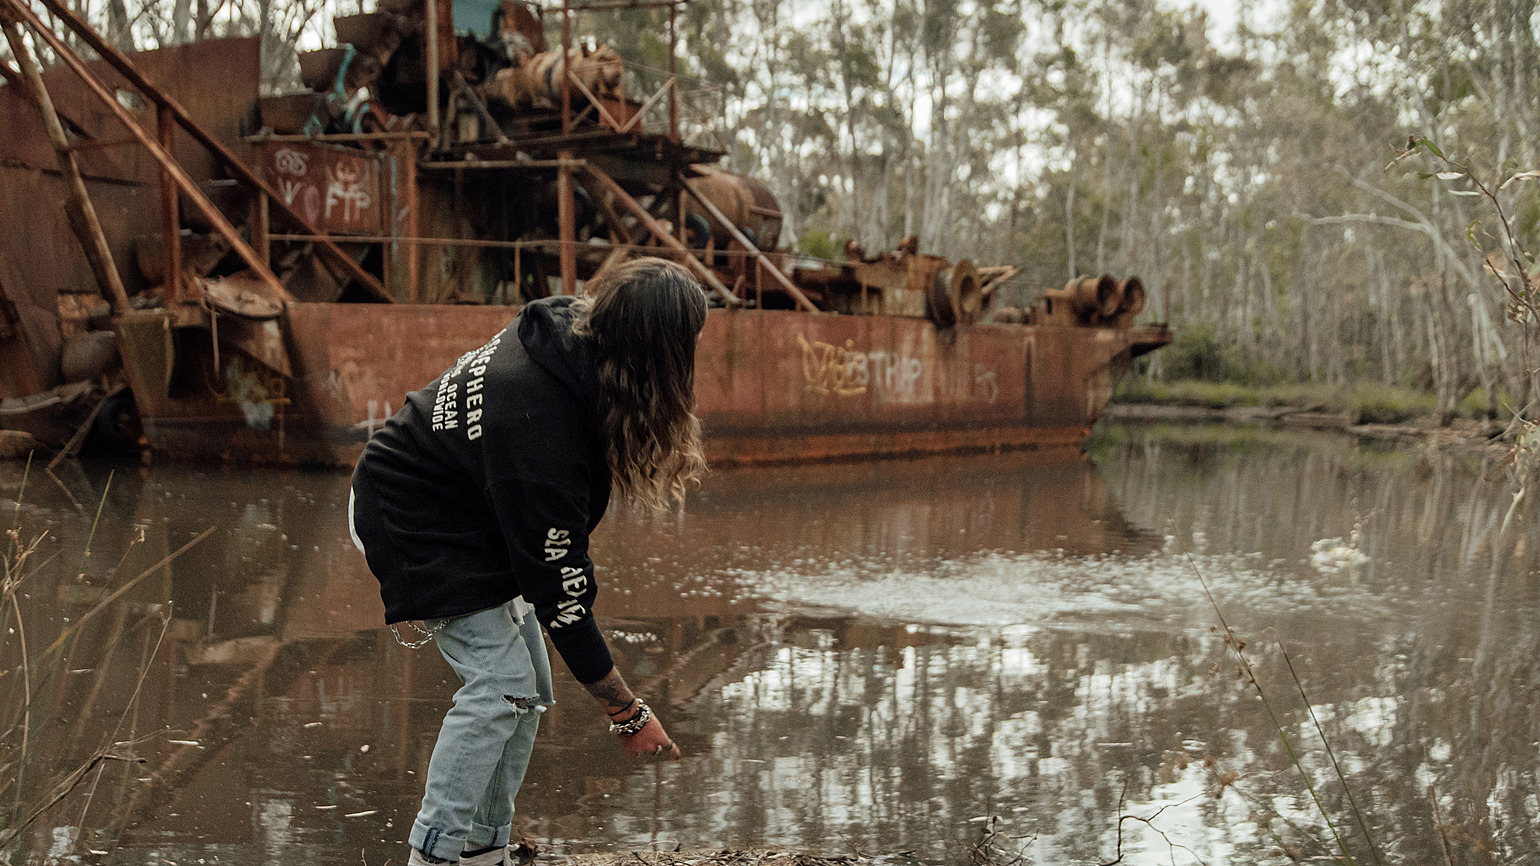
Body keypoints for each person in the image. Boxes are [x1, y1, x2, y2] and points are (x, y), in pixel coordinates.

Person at [348, 257, 704, 866]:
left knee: (528, 686)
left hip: (470, 509)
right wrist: (626, 710)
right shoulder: (539, 420)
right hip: (411, 518)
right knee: (500, 686)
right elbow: (561, 596)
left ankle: (485, 850)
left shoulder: (572, 328)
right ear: (656, 354)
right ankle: (432, 855)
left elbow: (552, 562)